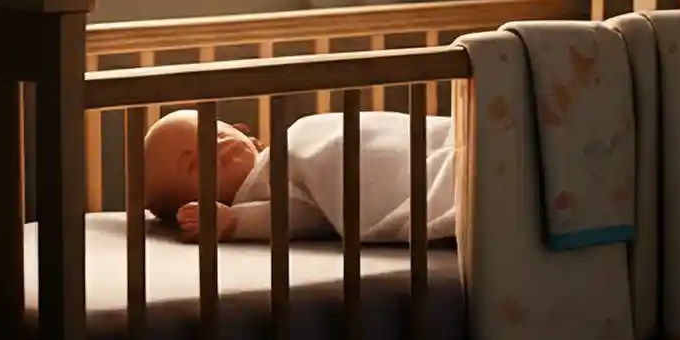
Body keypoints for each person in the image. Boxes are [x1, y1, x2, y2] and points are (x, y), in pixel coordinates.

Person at [143, 108, 458, 243]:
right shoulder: (258, 192)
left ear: (246, 134)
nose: (212, 145)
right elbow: (307, 213)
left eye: (214, 131)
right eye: (193, 162)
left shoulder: (291, 146)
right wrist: (235, 222)